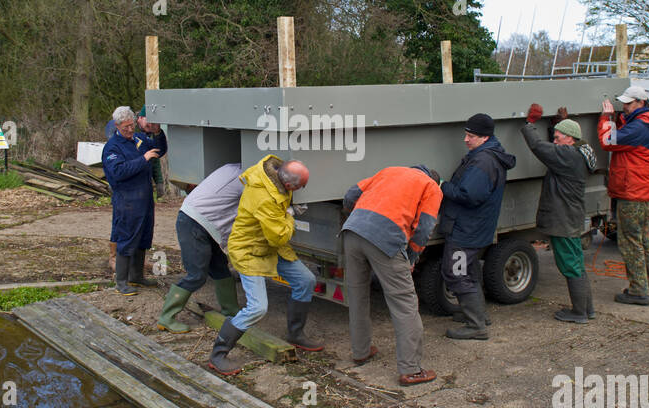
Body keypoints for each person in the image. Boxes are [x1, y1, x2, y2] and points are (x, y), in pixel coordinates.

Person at [210, 156, 321, 375]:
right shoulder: (263, 196)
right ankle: (218, 354)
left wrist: (286, 211)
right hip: (250, 251)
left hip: (269, 248)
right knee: (257, 308)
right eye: (301, 187)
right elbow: (279, 237)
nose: (302, 190)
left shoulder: (276, 178)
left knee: (306, 280)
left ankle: (295, 334)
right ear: (289, 184)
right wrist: (290, 215)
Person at [341, 165, 443, 386]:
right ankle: (411, 370)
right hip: (384, 238)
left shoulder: (389, 171)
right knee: (404, 302)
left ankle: (361, 351)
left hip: (351, 232)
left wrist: (358, 217)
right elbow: (425, 227)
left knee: (357, 294)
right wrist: (412, 256)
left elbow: (351, 194)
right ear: (434, 178)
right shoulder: (431, 186)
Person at [439, 113, 516, 340]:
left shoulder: (483, 161)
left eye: (470, 135)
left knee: (457, 273)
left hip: (467, 230)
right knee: (469, 271)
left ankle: (476, 327)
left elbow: (469, 195)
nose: (466, 139)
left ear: (484, 137)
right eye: (466, 134)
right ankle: (478, 314)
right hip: (473, 227)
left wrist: (442, 185)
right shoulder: (485, 155)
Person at [521, 105, 597, 322]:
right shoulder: (581, 152)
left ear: (570, 139)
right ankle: (587, 309)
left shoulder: (568, 156)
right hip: (570, 217)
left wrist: (529, 125)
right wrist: (558, 124)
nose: (554, 140)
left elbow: (538, 146)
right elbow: (555, 147)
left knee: (570, 265)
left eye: (558, 137)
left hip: (563, 219)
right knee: (576, 263)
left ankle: (579, 312)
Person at [155, 163, 244, 333]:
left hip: (204, 223)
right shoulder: (246, 180)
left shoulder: (232, 167)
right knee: (196, 275)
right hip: (194, 222)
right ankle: (166, 318)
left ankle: (231, 311)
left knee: (220, 268)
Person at [600, 87, 649, 305]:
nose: (624, 106)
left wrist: (607, 118)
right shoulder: (646, 123)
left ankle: (638, 291)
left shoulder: (639, 127)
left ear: (641, 103)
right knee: (642, 240)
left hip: (632, 192)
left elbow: (608, 140)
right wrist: (622, 119)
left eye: (628, 103)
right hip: (642, 192)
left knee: (630, 242)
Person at [102, 105, 167, 295]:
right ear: (117, 126)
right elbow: (119, 171)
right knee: (126, 237)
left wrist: (158, 132)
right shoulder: (112, 147)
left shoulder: (139, 139)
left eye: (131, 125)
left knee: (144, 236)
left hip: (145, 198)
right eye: (125, 127)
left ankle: (136, 276)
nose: (130, 130)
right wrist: (143, 159)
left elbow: (158, 150)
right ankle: (121, 282)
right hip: (127, 200)